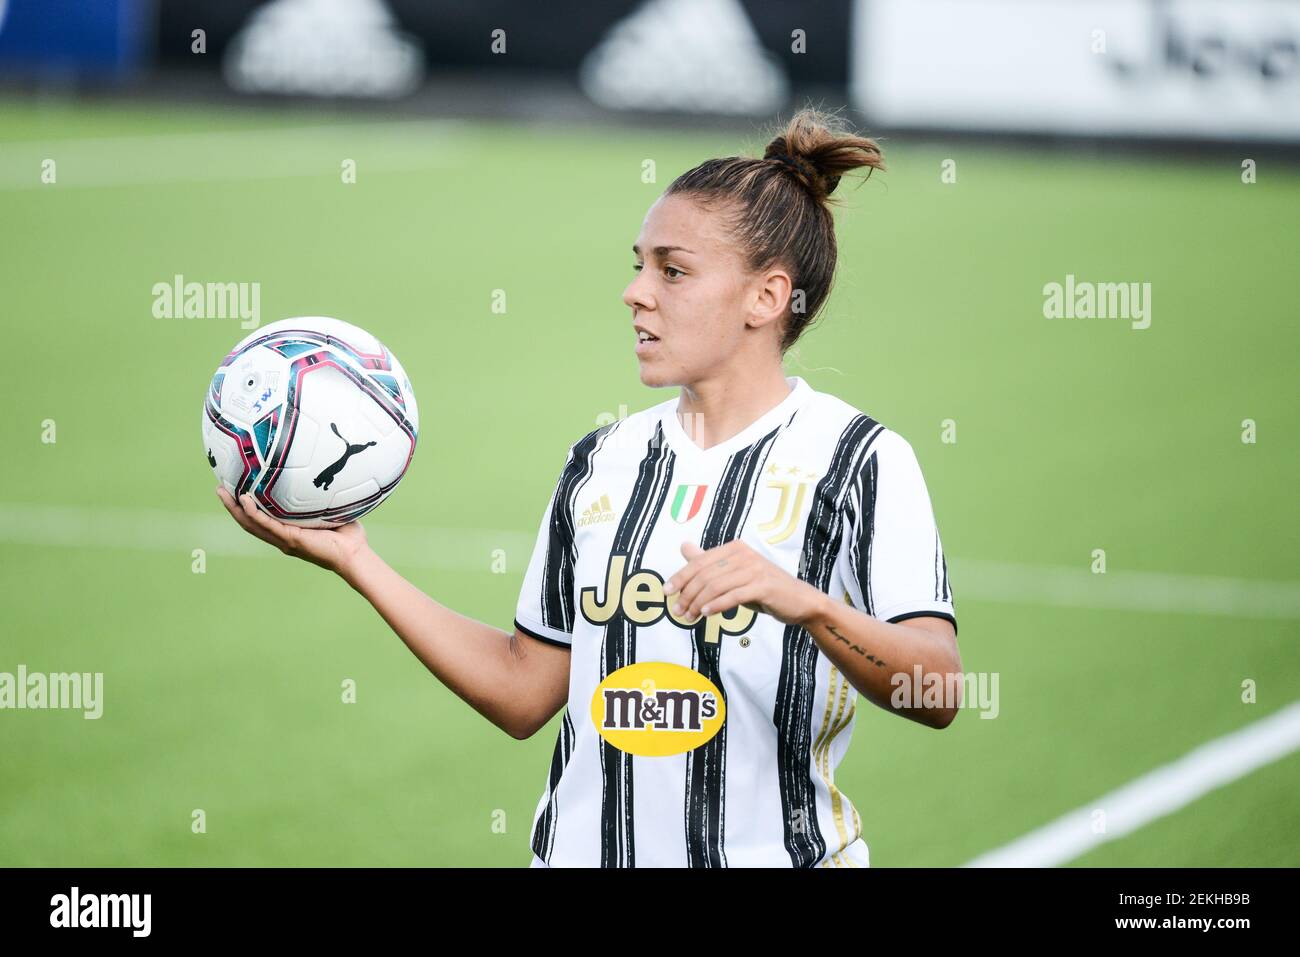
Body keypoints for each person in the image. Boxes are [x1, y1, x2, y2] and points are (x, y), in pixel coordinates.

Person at [217, 108, 961, 868]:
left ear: (767, 298)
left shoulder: (860, 459)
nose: (635, 292)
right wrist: (357, 561)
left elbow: (936, 692)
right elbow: (522, 692)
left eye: (672, 270)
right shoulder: (602, 459)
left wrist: (802, 600)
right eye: (639, 264)